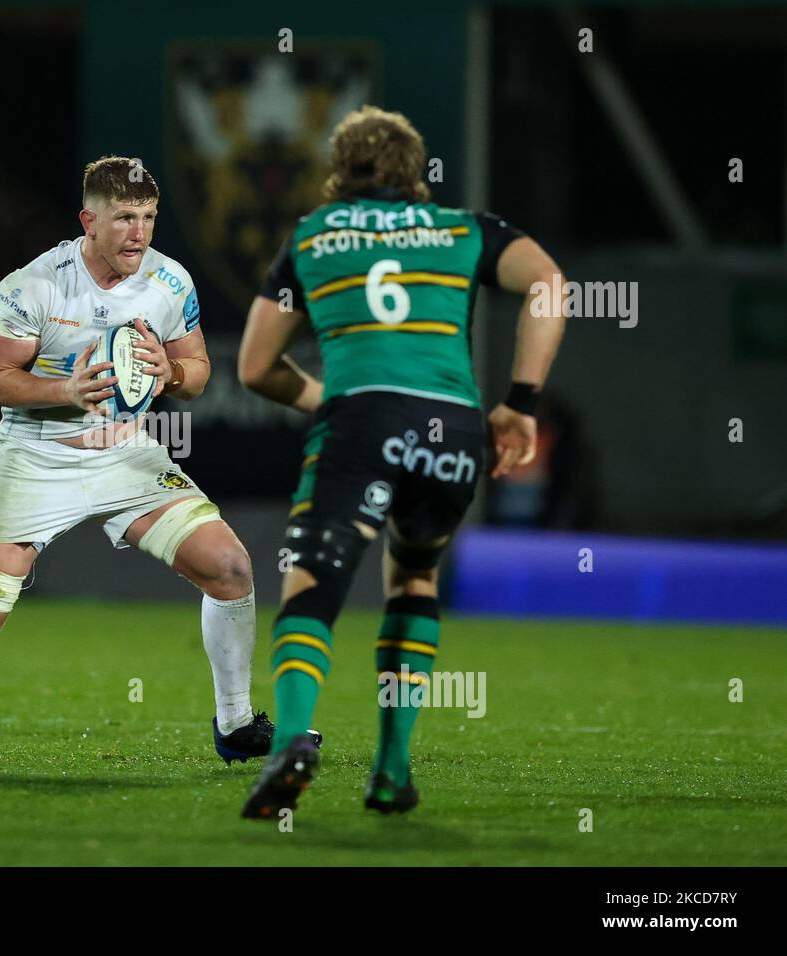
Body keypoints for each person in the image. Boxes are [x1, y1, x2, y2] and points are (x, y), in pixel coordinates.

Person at [0, 156, 308, 766]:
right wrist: (65, 392)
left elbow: (199, 373)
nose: (139, 232)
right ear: (89, 221)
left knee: (230, 567)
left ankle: (235, 725)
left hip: (124, 456)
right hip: (35, 458)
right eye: (125, 217)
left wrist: (173, 371)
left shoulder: (170, 281)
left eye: (149, 218)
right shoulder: (38, 285)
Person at [237, 107, 565, 817]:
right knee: (414, 574)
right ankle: (390, 771)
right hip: (454, 431)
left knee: (311, 583)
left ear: (340, 168)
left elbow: (256, 366)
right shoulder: (465, 229)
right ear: (416, 172)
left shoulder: (314, 236)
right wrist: (521, 404)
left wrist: (339, 399)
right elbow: (548, 283)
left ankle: (292, 740)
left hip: (361, 422)